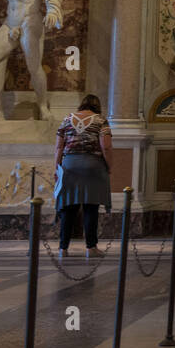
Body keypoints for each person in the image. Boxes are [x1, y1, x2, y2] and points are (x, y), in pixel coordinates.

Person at [53, 94, 113, 258]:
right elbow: (106, 147)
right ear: (97, 106)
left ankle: (63, 249)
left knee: (68, 208)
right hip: (93, 165)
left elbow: (59, 147)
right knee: (90, 207)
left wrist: (56, 168)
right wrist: (109, 165)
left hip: (69, 166)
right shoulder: (101, 121)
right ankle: (90, 248)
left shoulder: (67, 120)